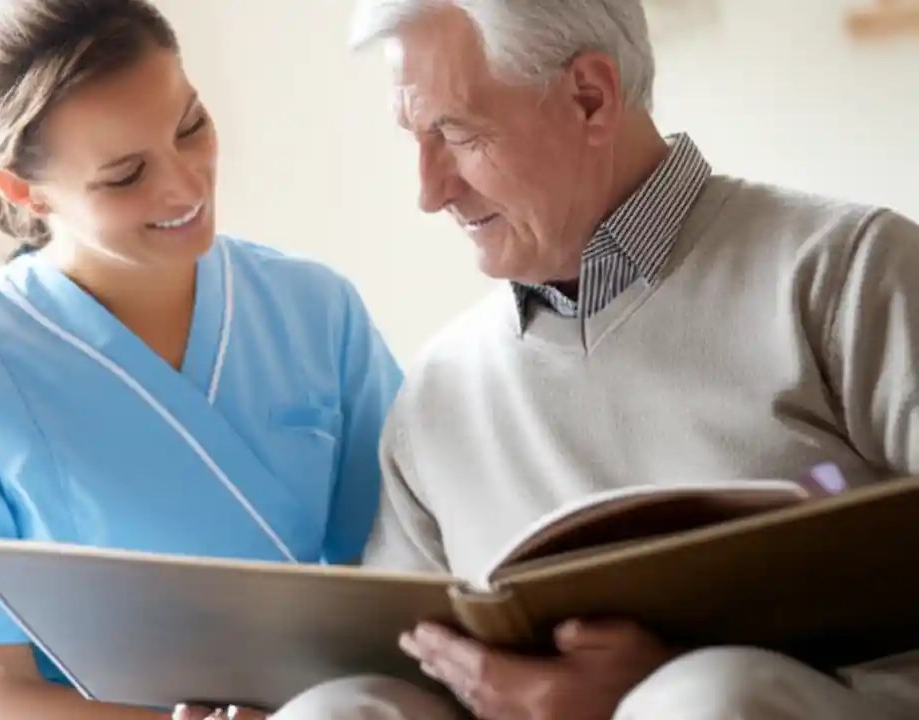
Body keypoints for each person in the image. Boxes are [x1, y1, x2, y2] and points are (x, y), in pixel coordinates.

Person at [271, 0, 919, 718]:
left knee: (704, 701)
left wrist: (655, 691)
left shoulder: (849, 275)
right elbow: (407, 667)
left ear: (590, 98)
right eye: (415, 137)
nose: (430, 191)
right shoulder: (438, 394)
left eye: (457, 132)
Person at [0, 1, 402, 718]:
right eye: (125, 175)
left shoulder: (317, 311)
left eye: (191, 126)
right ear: (24, 191)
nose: (184, 186)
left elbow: (400, 588)